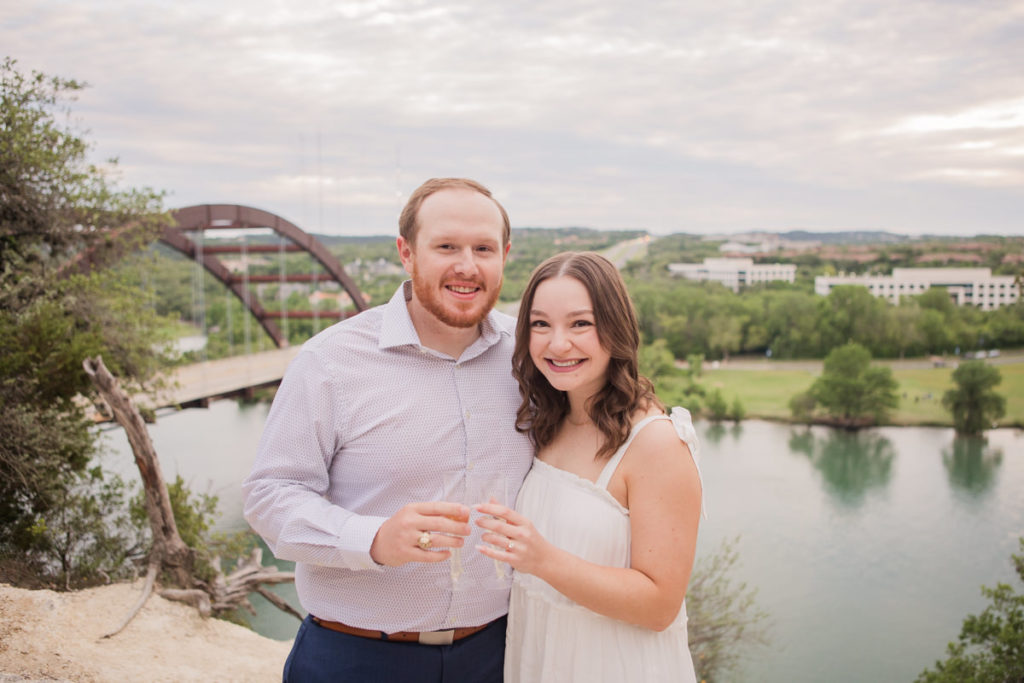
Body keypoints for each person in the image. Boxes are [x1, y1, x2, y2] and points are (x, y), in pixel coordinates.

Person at [242, 178, 534, 683]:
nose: (467, 265)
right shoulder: (329, 362)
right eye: (445, 246)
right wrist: (373, 538)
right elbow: (270, 496)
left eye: (483, 248)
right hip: (355, 659)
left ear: (504, 255)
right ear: (406, 253)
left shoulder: (531, 356)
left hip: (498, 655)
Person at [475, 251, 705, 682]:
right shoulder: (548, 422)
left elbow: (660, 606)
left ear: (615, 328)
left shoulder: (655, 442)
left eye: (581, 323)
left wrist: (542, 559)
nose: (558, 343)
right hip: (540, 660)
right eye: (540, 324)